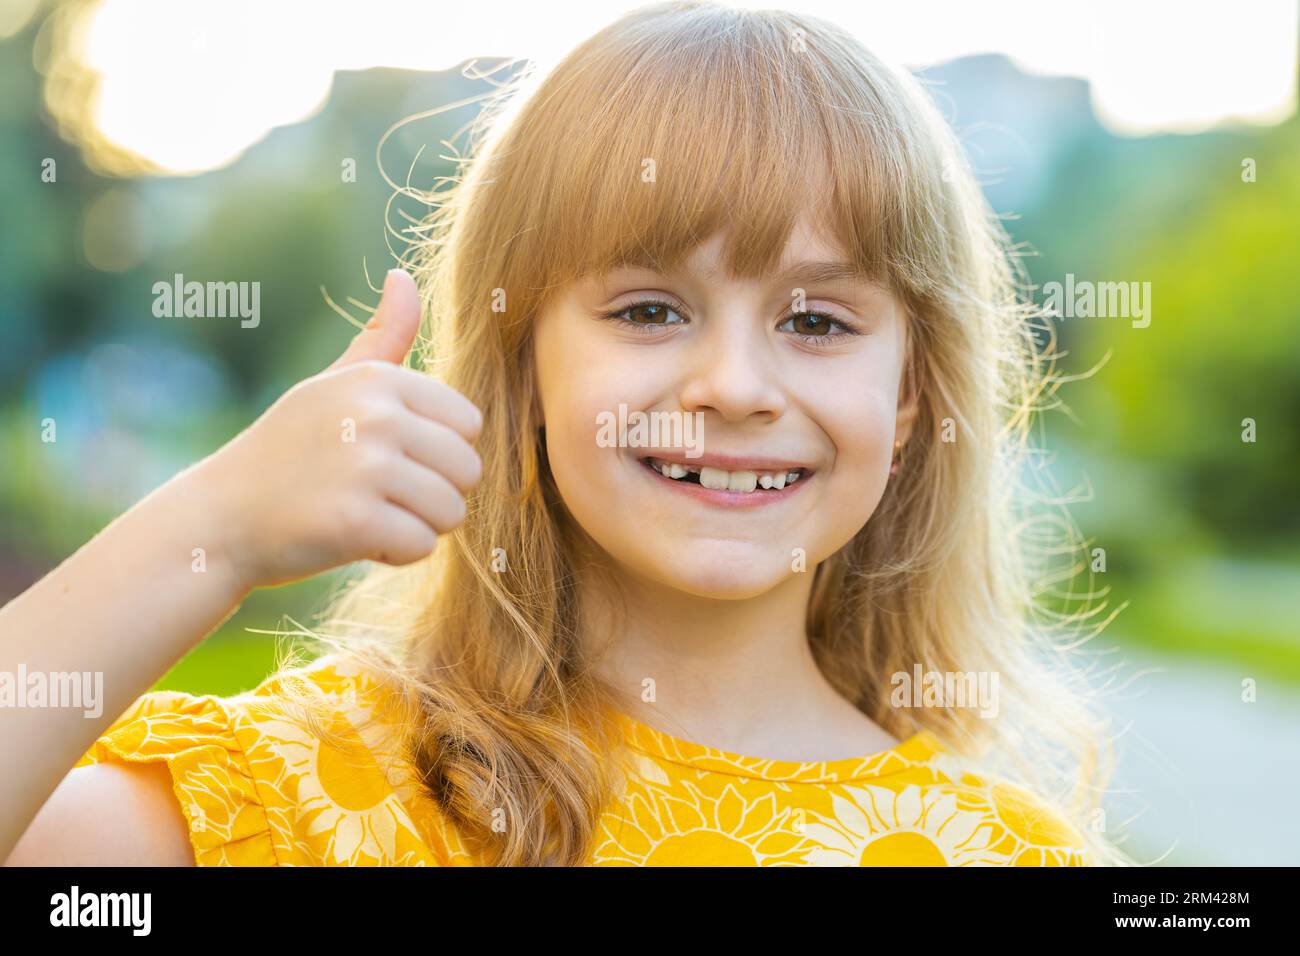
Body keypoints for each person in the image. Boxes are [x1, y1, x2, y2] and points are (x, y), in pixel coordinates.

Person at [2, 0, 1122, 866]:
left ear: (912, 392)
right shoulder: (334, 787)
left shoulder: (1000, 850)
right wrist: (215, 525)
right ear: (522, 366)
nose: (734, 383)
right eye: (649, 309)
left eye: (816, 320)